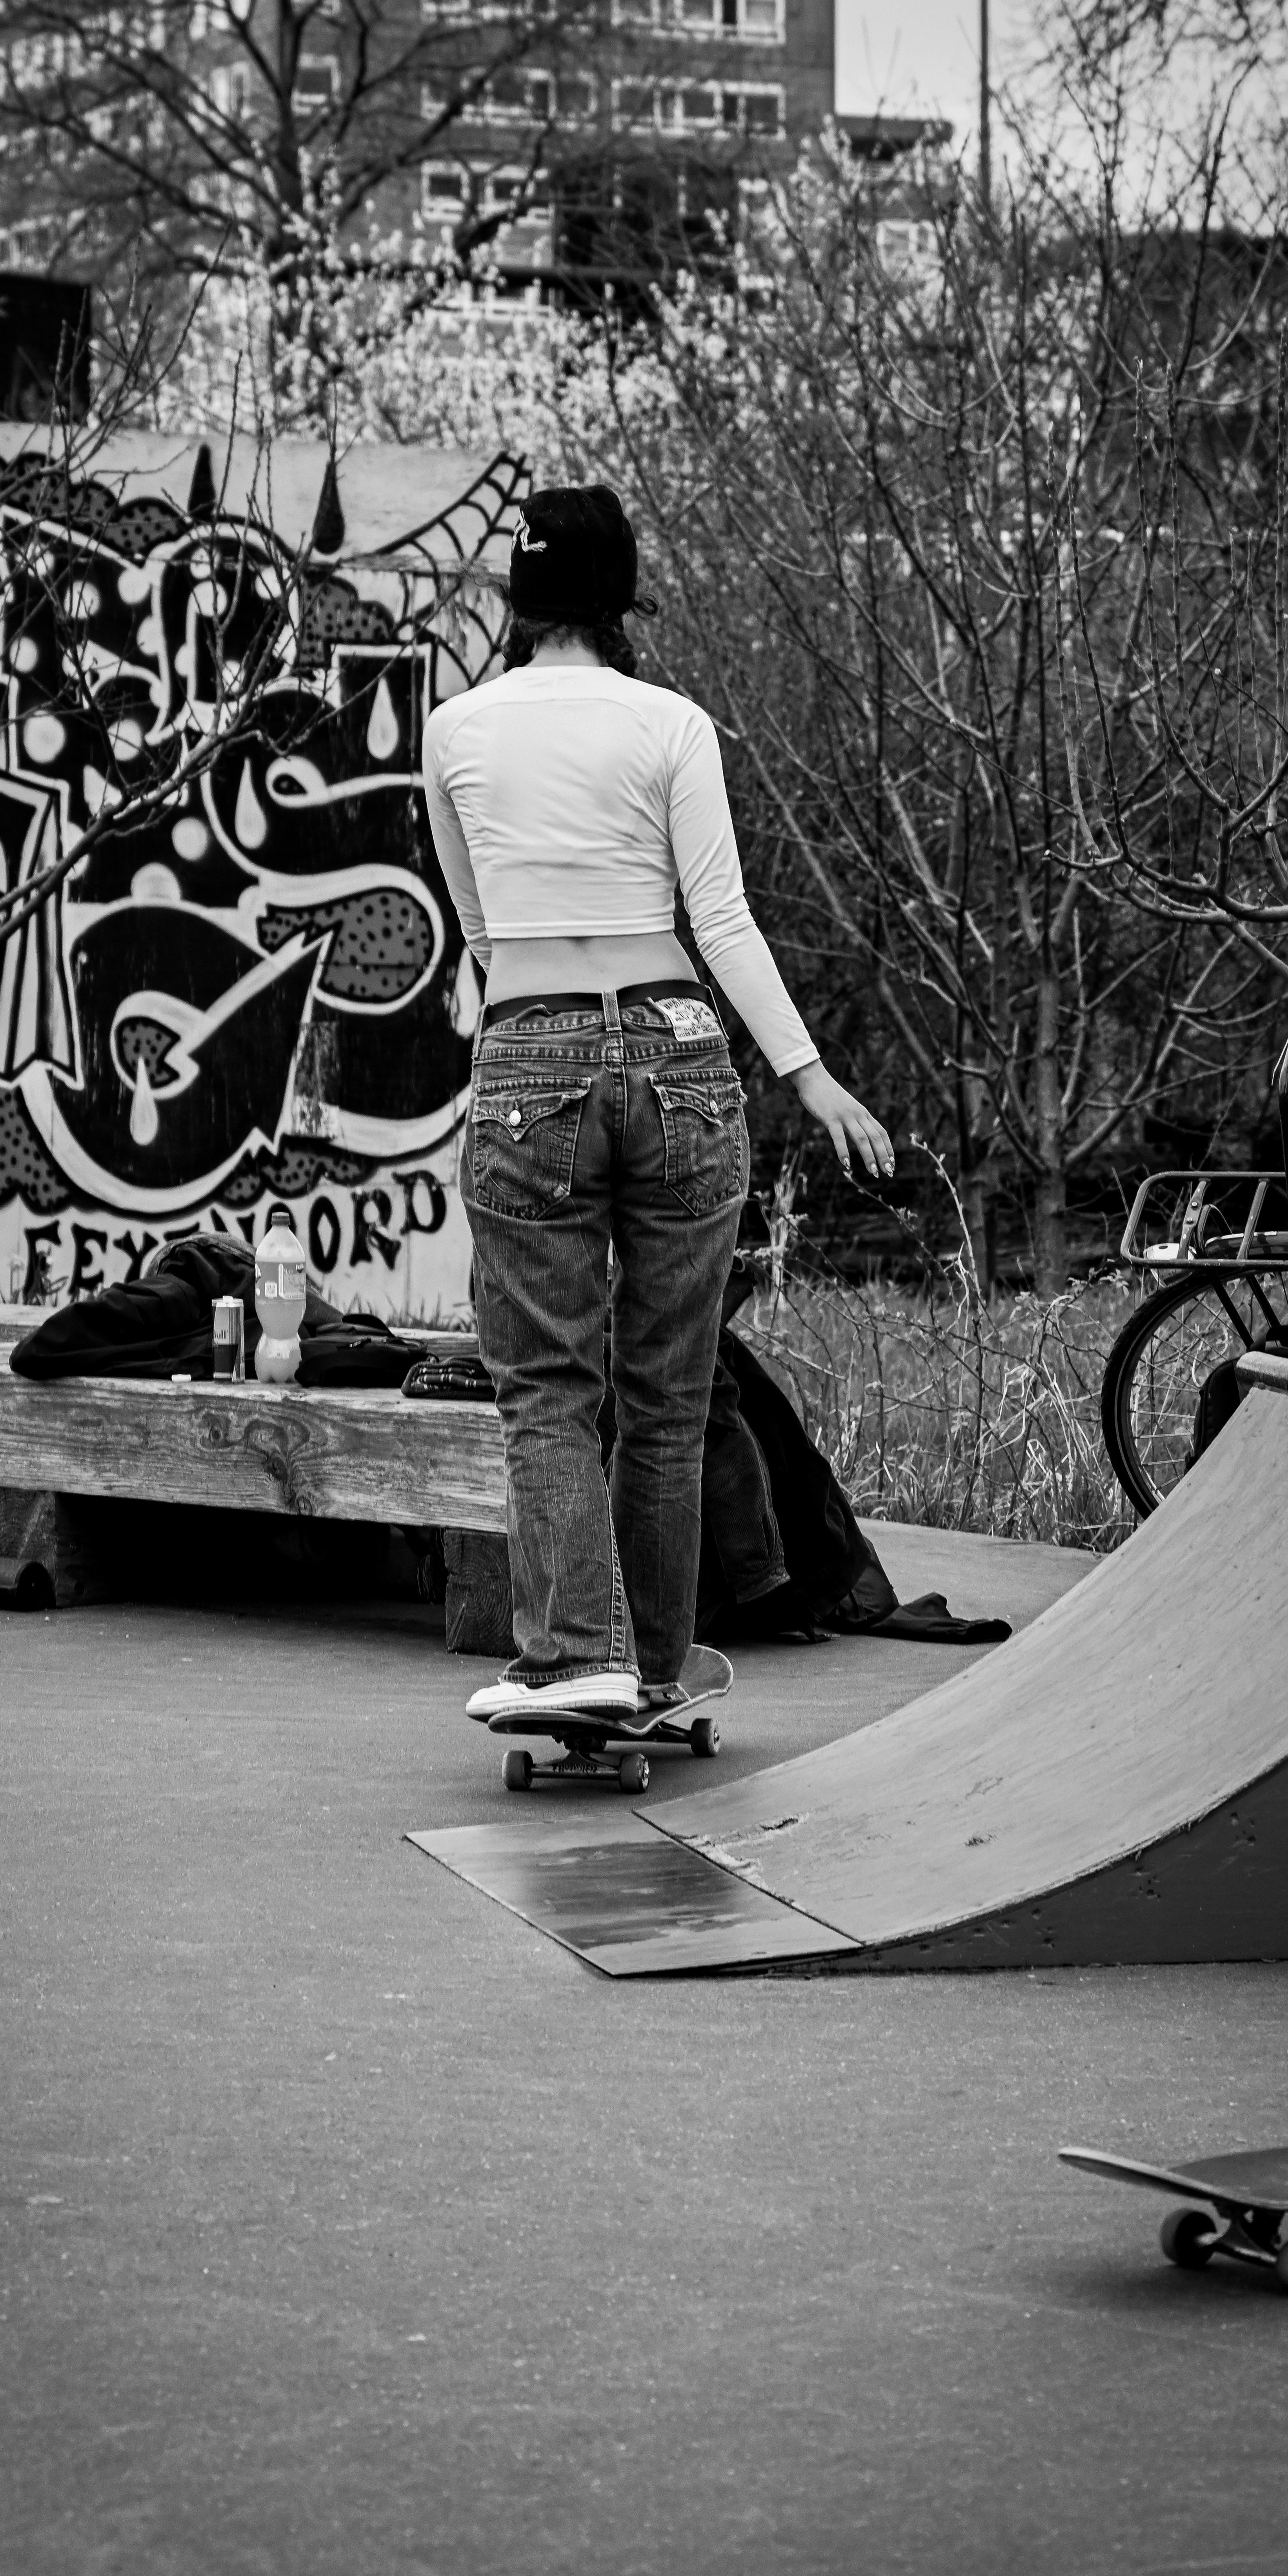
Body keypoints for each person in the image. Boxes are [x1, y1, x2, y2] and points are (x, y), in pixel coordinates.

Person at [422, 482, 893, 1722]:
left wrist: (538, 1027)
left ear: (517, 601)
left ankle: (576, 1653)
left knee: (546, 1392)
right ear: (619, 596)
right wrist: (808, 1073)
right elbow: (719, 921)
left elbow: (477, 924)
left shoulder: (455, 729)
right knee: (668, 1398)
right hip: (681, 1049)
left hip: (529, 1049)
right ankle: (658, 1666)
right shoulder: (672, 724)